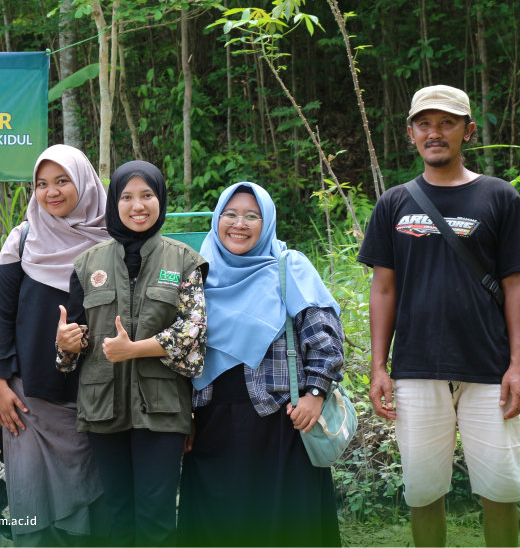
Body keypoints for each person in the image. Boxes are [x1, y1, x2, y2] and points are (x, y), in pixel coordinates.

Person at [357, 84, 520, 547]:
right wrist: (378, 368)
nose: (435, 132)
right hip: (417, 365)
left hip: (489, 367)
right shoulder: (394, 203)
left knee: (501, 489)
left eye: (446, 122)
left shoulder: (500, 197)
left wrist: (517, 363)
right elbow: (383, 288)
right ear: (411, 133)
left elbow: (515, 285)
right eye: (425, 123)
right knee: (424, 491)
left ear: (467, 131)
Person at [177, 181, 344, 547]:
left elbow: (325, 337)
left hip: (281, 422)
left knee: (283, 525)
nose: (240, 224)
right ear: (217, 219)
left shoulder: (288, 266)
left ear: (266, 221)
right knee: (218, 525)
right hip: (211, 423)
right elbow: (182, 350)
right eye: (230, 214)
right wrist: (183, 415)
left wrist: (316, 392)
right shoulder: (198, 273)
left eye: (252, 216)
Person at [55, 161, 207, 547]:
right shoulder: (88, 263)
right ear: (113, 202)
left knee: (156, 516)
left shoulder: (185, 260)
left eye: (147, 195)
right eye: (126, 197)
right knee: (117, 513)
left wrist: (134, 349)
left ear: (161, 199)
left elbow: (193, 331)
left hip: (163, 408)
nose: (137, 206)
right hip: (103, 405)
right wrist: (66, 345)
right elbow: (75, 341)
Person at [0, 144, 109, 545]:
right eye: (41, 184)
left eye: (62, 181)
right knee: (32, 502)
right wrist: (0, 384)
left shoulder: (111, 243)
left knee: (85, 503)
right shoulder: (22, 241)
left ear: (85, 183)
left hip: (91, 397)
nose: (51, 192)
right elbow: (1, 317)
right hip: (28, 397)